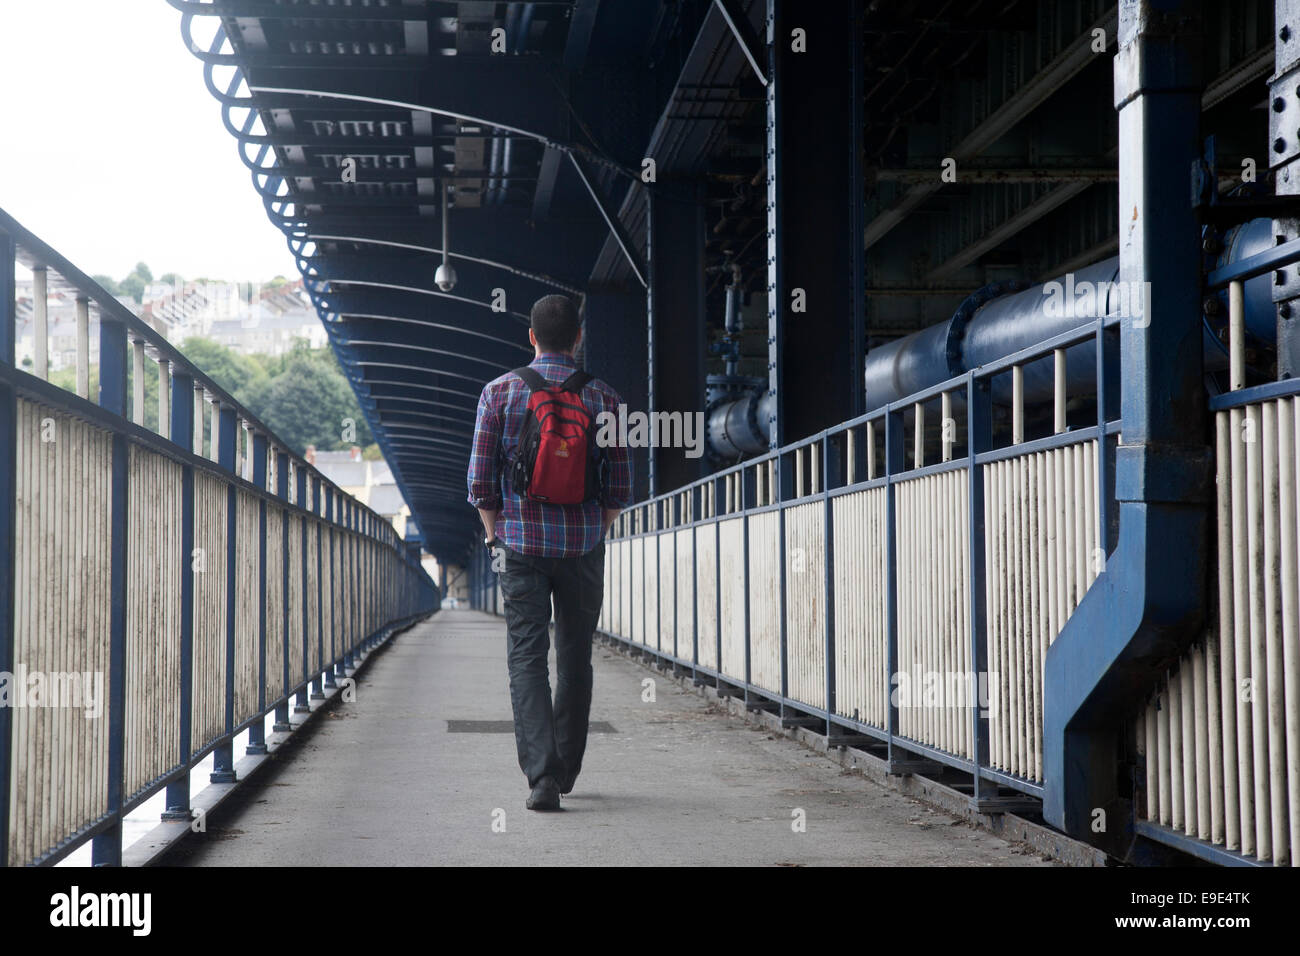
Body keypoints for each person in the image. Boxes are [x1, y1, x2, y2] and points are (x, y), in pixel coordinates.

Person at [466, 293, 632, 811]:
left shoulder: (499, 392)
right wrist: (595, 529)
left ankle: (541, 776)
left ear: (531, 337)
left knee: (526, 657)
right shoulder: (605, 398)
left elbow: (479, 482)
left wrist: (496, 532)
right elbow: (620, 486)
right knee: (576, 658)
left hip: (520, 546)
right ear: (578, 339)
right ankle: (566, 769)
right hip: (582, 546)